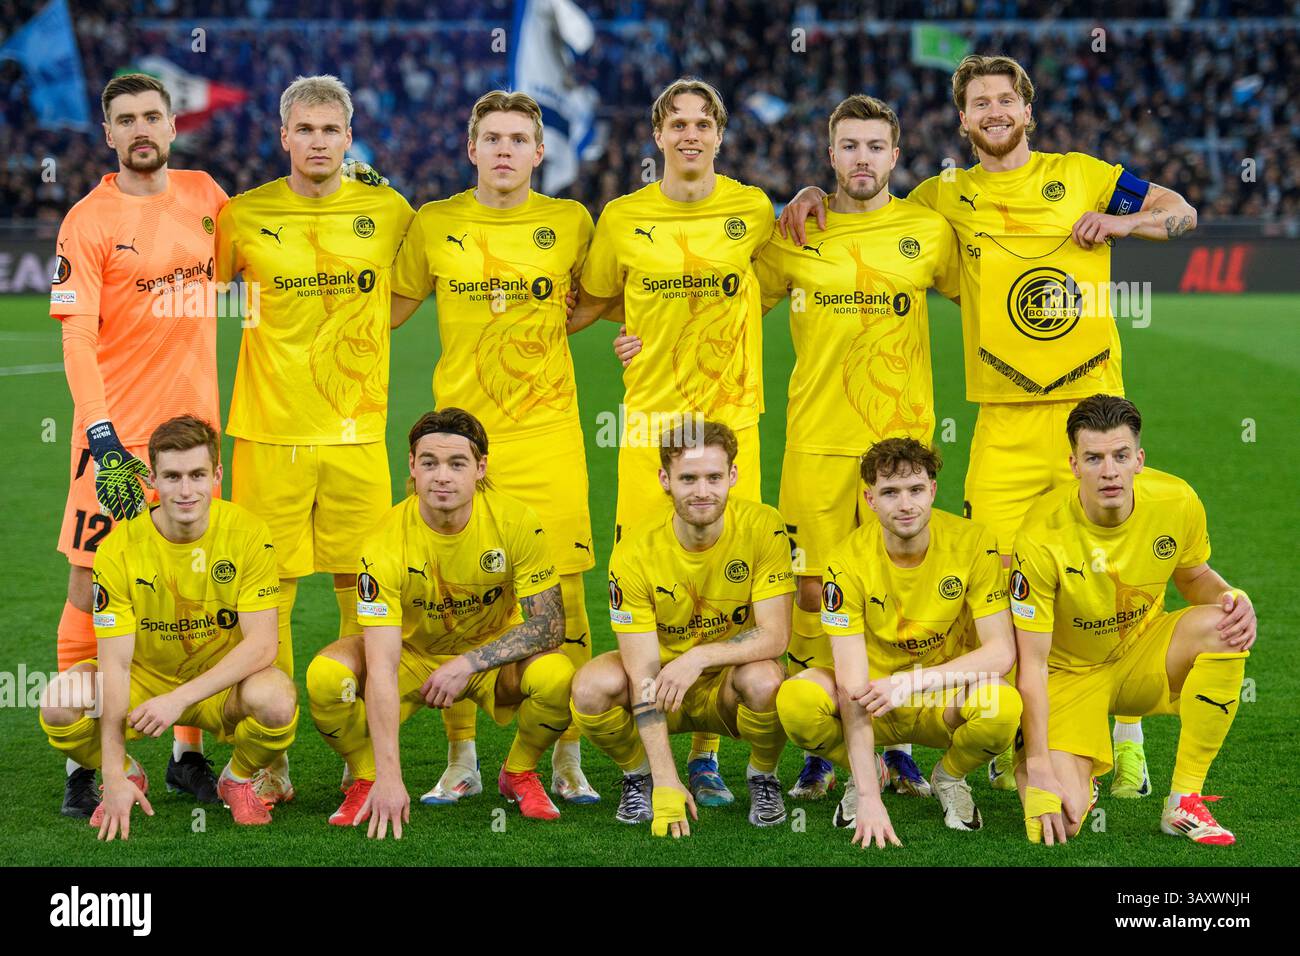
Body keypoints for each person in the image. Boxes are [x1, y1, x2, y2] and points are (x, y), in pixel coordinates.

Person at [778, 54, 1201, 795]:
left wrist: (1126, 222)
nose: (995, 111)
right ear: (964, 120)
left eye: (1007, 100)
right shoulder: (944, 197)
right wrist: (815, 188)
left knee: (1115, 571)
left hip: (1089, 414)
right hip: (1002, 423)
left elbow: (1182, 212)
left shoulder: (1085, 173)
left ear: (1027, 111)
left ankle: (1125, 735)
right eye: (980, 103)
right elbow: (870, 208)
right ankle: (1001, 736)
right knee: (999, 583)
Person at [568, 77, 776, 806]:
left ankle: (710, 754)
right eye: (676, 123)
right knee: (649, 584)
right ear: (657, 135)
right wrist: (630, 333)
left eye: (703, 123)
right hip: (649, 429)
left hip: (733, 424)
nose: (690, 134)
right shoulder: (622, 217)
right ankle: (644, 762)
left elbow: (775, 284)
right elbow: (588, 300)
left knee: (733, 587)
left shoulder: (753, 210)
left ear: (720, 134)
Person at [390, 90, 599, 806]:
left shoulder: (571, 221)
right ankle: (461, 759)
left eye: (519, 139)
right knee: (455, 595)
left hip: (548, 435)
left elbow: (604, 294)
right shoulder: (433, 223)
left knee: (565, 595)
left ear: (541, 153)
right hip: (457, 439)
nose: (505, 150)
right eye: (493, 138)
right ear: (471, 147)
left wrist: (560, 332)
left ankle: (564, 756)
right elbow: (388, 303)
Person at [214, 74, 415, 804]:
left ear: (350, 136)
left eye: (333, 129)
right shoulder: (242, 214)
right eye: (307, 129)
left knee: (360, 593)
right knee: (270, 596)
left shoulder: (388, 209)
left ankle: (360, 758)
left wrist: (359, 331)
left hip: (358, 436)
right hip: (267, 435)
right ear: (284, 137)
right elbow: (197, 290)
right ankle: (273, 752)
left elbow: (407, 294)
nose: (320, 142)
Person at [49, 73, 230, 815]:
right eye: (126, 119)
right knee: (91, 586)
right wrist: (100, 438)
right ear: (109, 134)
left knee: (193, 588)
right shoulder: (86, 220)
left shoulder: (208, 196)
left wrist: (352, 179)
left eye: (152, 115)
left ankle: (189, 753)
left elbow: (276, 254)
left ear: (172, 123)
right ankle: (82, 765)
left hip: (194, 444)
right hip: (115, 445)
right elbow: (76, 338)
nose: (141, 128)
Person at [307, 408, 574, 835]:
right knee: (326, 677)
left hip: (488, 659)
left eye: (457, 463)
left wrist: (468, 663)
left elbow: (549, 627)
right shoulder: (383, 540)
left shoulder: (516, 521)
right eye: (429, 463)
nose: (442, 476)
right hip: (412, 656)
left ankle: (519, 772)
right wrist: (390, 778)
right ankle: (366, 775)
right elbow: (381, 664)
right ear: (412, 467)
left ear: (481, 467)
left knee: (558, 676)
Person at [39, 415, 298, 838]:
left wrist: (179, 700)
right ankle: (127, 774)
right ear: (154, 480)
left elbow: (262, 646)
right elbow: (115, 665)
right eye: (172, 476)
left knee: (277, 699)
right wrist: (112, 771)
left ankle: (236, 778)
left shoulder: (249, 534)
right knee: (58, 701)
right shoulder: (118, 550)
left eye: (197, 475)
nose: (185, 490)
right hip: (144, 681)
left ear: (216, 475)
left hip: (217, 689)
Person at [1012, 395, 1255, 845]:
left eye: (1121, 456)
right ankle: (1054, 761)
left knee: (1225, 627)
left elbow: (1195, 576)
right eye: (1094, 458)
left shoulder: (1176, 500)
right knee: (1057, 823)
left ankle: (1183, 799)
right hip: (1067, 676)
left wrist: (1233, 598)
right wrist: (1041, 764)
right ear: (1073, 464)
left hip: (1143, 653)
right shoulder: (1040, 536)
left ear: (1138, 459)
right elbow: (1031, 663)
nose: (1109, 471)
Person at [777, 437, 1020, 844]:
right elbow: (851, 686)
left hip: (942, 699)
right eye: (890, 493)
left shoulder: (974, 543)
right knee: (796, 702)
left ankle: (950, 776)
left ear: (933, 491)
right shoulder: (846, 559)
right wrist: (870, 795)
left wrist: (911, 682)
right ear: (870, 499)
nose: (905, 504)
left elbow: (1001, 651)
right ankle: (867, 772)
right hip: (875, 701)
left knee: (1002, 707)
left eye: (915, 490)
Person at [570, 421, 794, 835]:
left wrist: (700, 656)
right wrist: (666, 780)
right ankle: (640, 777)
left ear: (732, 476)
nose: (702, 491)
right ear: (664, 480)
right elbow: (642, 673)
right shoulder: (634, 551)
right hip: (663, 685)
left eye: (713, 477)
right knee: (589, 686)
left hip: (725, 684)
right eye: (688, 478)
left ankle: (763, 777)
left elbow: (775, 636)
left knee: (767, 679)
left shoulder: (765, 527)